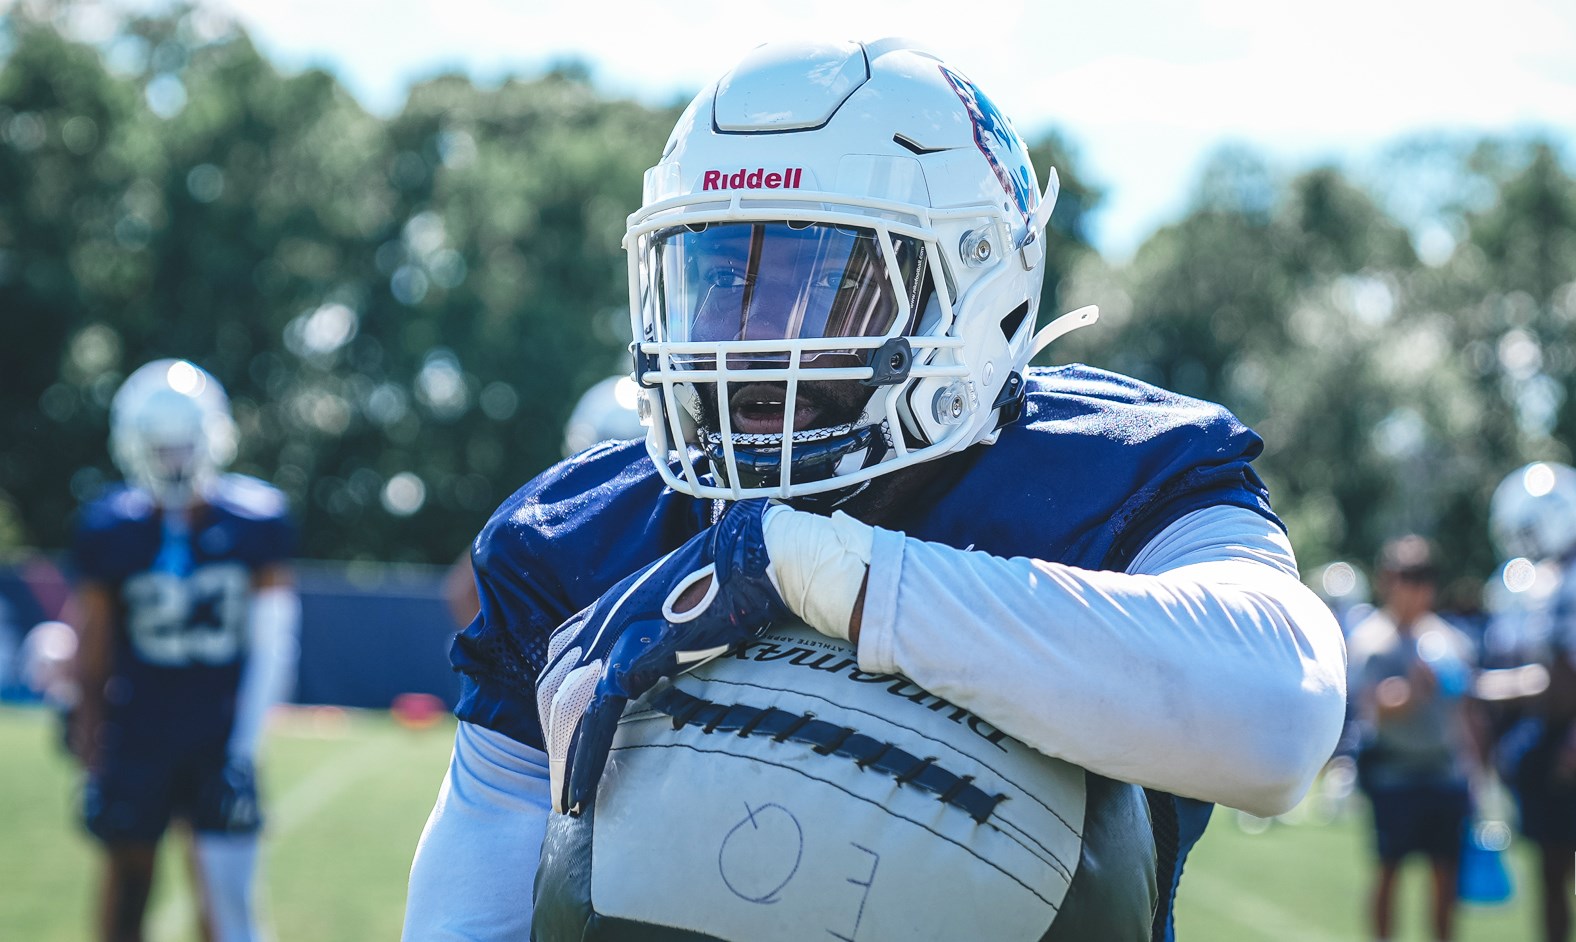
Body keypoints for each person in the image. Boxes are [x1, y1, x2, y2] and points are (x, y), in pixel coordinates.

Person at [403, 38, 1346, 941]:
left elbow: (1283, 719)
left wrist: (814, 570)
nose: (746, 337)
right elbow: (462, 915)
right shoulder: (576, 535)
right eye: (719, 277)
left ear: (978, 285)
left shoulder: (1116, 468)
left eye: (813, 282)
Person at [68, 359, 299, 942]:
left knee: (226, 903)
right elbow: (93, 646)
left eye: (182, 446)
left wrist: (244, 751)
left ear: (211, 440)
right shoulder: (110, 526)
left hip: (217, 733)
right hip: (139, 734)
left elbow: (275, 645)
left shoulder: (256, 519)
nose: (173, 461)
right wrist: (90, 742)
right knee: (127, 889)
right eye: (159, 447)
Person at [1347, 535, 1483, 942]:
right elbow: (1369, 705)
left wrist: (1474, 770)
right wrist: (1412, 691)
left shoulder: (1450, 640)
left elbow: (1465, 713)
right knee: (1389, 870)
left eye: (1424, 576)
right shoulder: (1370, 640)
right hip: (1394, 774)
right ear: (1387, 579)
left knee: (1445, 875)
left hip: (1445, 772)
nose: (1416, 586)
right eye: (1407, 576)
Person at [1487, 461, 1576, 942]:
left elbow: (1563, 680)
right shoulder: (1555, 579)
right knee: (1552, 870)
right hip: (1553, 740)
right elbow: (1548, 677)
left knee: (1559, 870)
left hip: (1564, 741)